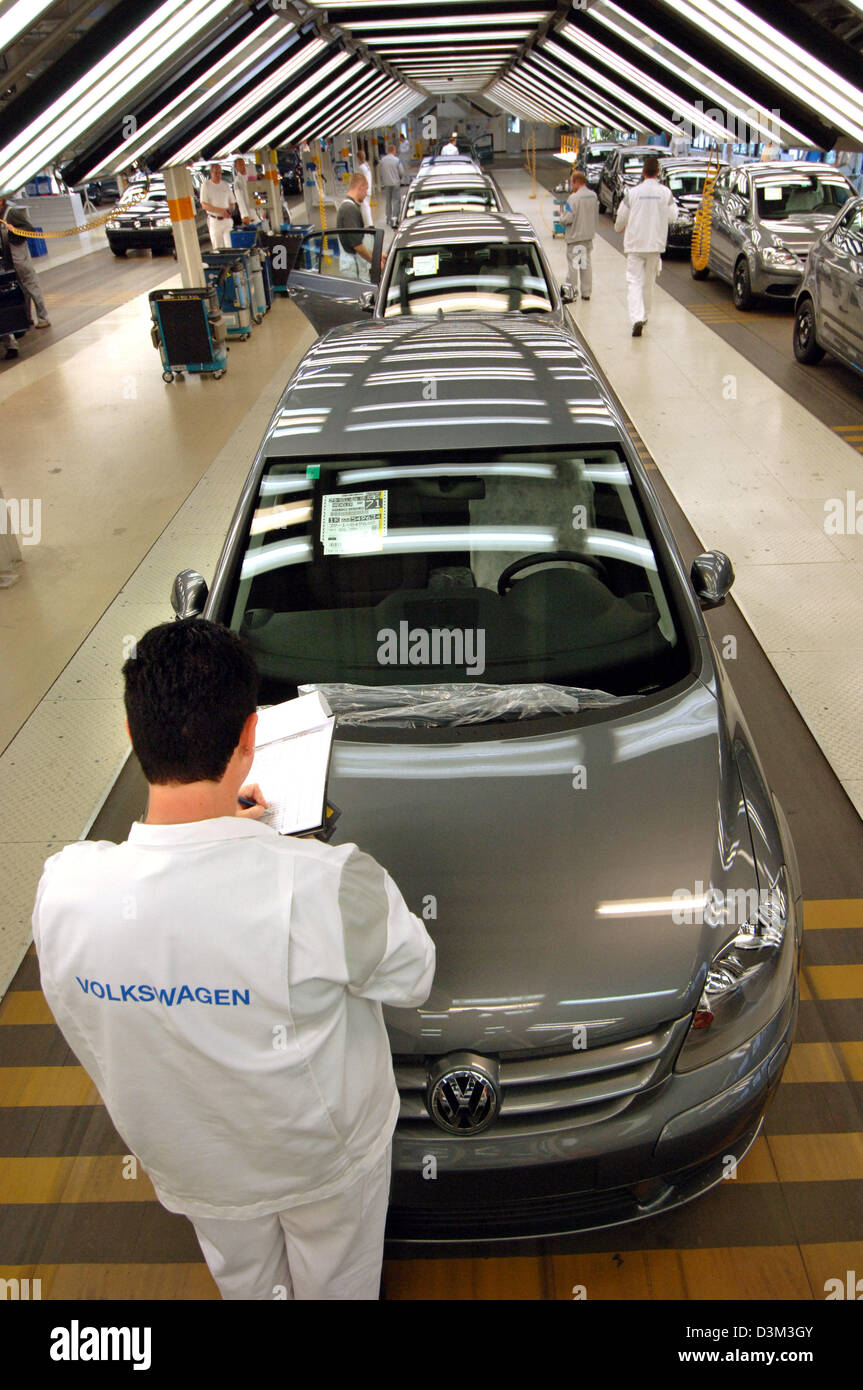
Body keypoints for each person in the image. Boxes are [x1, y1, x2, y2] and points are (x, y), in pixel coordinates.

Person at [32, 618, 435, 1300]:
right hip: (321, 1162)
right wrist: (264, 845)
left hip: (193, 1166)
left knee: (245, 1282)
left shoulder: (64, 890)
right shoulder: (325, 883)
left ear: (132, 736)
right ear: (249, 736)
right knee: (335, 1282)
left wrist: (231, 840)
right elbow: (412, 977)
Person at [614, 154, 677, 337]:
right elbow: (673, 216)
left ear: (643, 172)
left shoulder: (632, 193)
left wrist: (619, 227)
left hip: (635, 245)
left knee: (634, 281)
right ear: (658, 172)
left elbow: (621, 216)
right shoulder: (665, 193)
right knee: (648, 283)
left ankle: (637, 318)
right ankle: (645, 315)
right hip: (655, 245)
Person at [0, 192, 51, 358]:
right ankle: (25, 319)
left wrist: (14, 231)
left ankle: (43, 317)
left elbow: (29, 229)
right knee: (20, 290)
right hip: (8, 261)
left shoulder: (11, 213)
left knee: (31, 286)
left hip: (19, 257)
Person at [337, 173, 387, 282]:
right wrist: (375, 262)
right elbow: (357, 246)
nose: (366, 194)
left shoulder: (348, 207)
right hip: (354, 270)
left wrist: (376, 254)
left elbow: (354, 241)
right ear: (360, 187)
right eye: (366, 189)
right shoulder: (349, 209)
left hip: (354, 267)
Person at [561, 168, 598, 300]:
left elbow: (567, 218)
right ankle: (586, 293)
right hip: (588, 237)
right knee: (586, 265)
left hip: (575, 238)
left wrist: (561, 218)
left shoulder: (573, 198)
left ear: (576, 182)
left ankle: (570, 293)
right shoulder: (593, 196)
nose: (572, 186)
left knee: (573, 266)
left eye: (572, 183)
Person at [200, 163, 236, 248]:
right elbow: (204, 205)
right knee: (218, 247)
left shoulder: (225, 185)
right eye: (216, 173)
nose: (218, 175)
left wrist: (229, 211)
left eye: (220, 173)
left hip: (227, 220)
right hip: (215, 221)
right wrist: (221, 211)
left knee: (230, 245)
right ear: (211, 173)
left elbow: (232, 203)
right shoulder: (206, 186)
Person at [377, 144, 405, 228]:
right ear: (393, 151)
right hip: (395, 183)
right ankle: (395, 218)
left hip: (386, 184)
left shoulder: (382, 161)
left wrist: (383, 180)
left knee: (388, 201)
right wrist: (399, 179)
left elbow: (380, 172)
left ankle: (388, 219)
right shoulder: (397, 160)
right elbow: (401, 172)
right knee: (396, 201)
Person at [232, 157, 253, 225]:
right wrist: (244, 215)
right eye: (240, 164)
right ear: (236, 167)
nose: (242, 166)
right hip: (248, 212)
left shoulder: (250, 177)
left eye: (243, 164)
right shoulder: (237, 182)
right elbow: (240, 200)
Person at [357, 146, 373, 226]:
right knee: (367, 207)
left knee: (365, 208)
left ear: (358, 158)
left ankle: (369, 225)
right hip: (368, 189)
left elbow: (359, 179)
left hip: (364, 190)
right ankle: (369, 224)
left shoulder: (361, 168)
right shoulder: (367, 165)